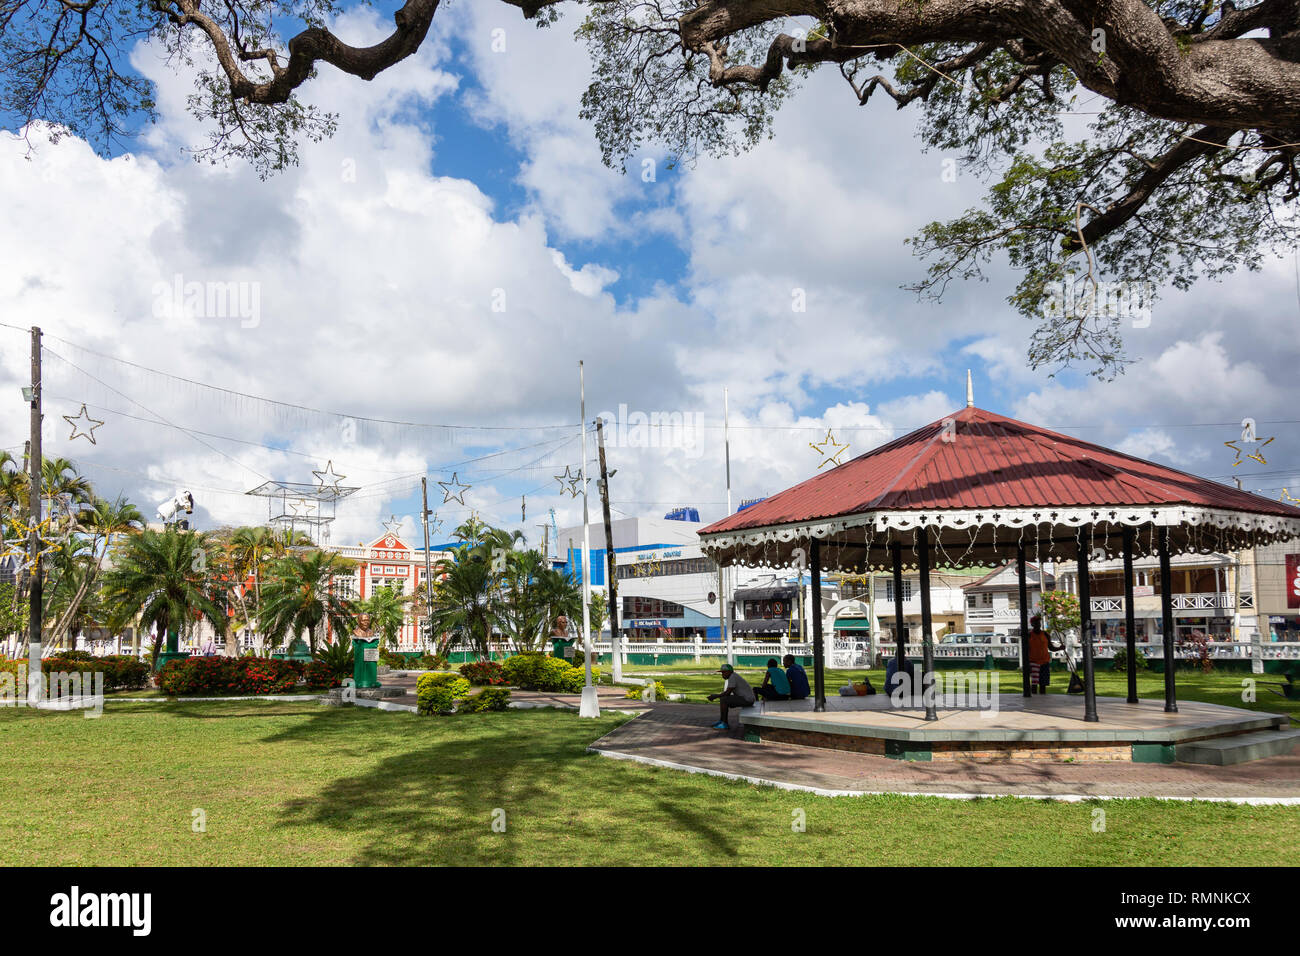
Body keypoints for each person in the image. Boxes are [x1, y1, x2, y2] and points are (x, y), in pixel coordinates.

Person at [707, 663, 755, 730]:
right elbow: (727, 693)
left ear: (729, 672)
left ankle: (724, 723)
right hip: (747, 699)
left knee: (724, 699)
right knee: (723, 698)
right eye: (722, 673)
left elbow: (727, 692)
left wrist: (715, 696)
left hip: (747, 700)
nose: (722, 674)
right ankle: (722, 721)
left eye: (724, 672)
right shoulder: (733, 676)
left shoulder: (732, 677)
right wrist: (719, 696)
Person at [1027, 614, 1051, 694]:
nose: (1038, 624)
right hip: (1033, 661)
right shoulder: (1029, 635)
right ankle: (1033, 700)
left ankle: (1042, 701)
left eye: (1039, 622)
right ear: (1032, 624)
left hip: (1045, 661)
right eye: (1036, 622)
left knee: (1043, 684)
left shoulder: (1046, 634)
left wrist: (1060, 648)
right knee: (1034, 683)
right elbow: (1026, 650)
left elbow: (1051, 647)